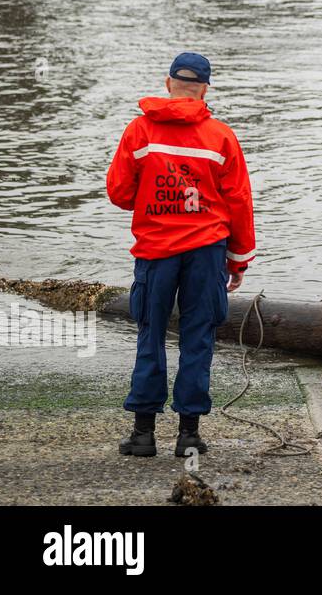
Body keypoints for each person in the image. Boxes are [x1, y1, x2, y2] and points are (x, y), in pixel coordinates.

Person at [106, 53, 255, 458]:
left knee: (150, 334)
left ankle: (142, 436)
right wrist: (238, 259)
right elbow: (239, 200)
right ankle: (188, 435)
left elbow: (119, 193)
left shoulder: (139, 132)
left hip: (155, 251)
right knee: (198, 338)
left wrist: (156, 198)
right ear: (205, 89)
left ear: (168, 82)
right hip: (206, 253)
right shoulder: (221, 137)